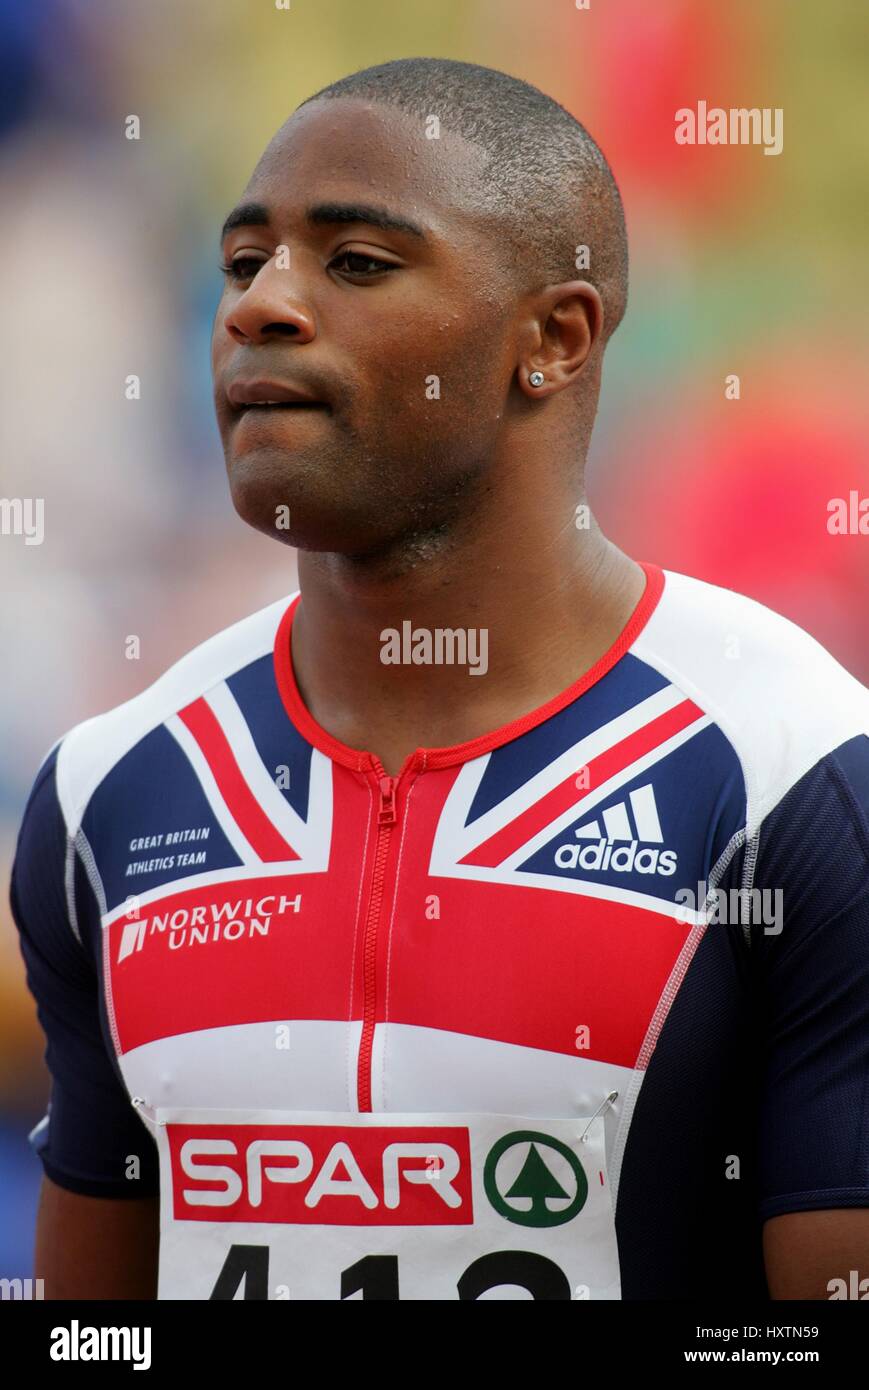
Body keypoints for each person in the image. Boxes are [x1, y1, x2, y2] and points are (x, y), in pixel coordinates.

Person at [10, 57, 869, 1301]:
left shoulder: (795, 776)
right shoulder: (111, 790)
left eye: (356, 262)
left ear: (552, 339)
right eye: (243, 263)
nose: (260, 306)